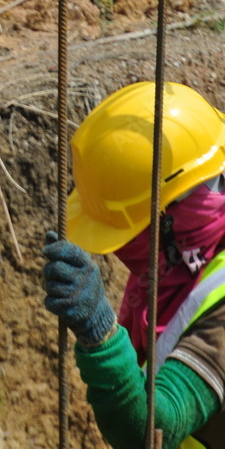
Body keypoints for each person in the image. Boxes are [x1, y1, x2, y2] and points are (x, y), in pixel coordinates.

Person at [42, 81, 225, 449]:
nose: (120, 251)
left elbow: (154, 428)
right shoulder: (182, 262)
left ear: (168, 221)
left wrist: (102, 336)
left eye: (126, 234)